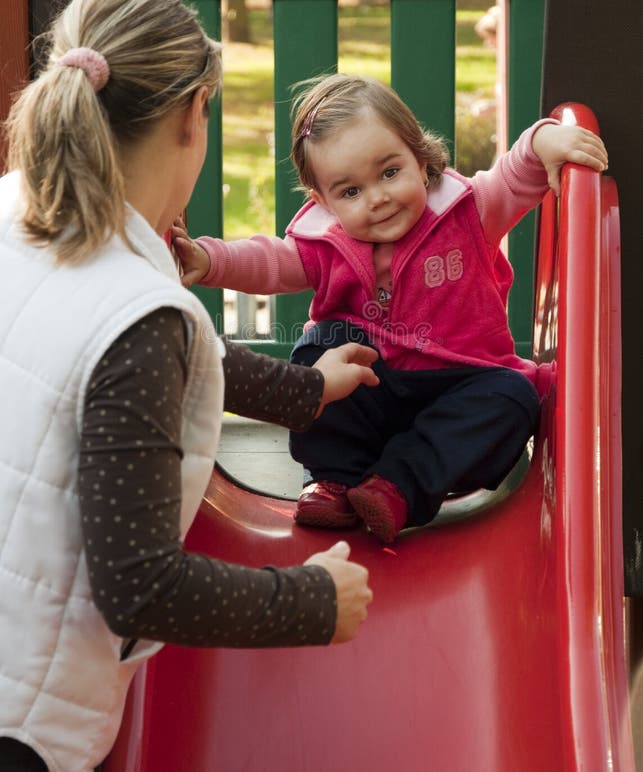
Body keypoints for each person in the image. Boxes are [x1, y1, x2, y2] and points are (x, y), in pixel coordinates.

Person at [0, 0, 377, 772]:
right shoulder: (136, 318)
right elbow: (137, 586)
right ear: (191, 113)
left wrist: (306, 390)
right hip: (25, 724)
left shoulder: (18, 211)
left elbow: (160, 359)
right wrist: (309, 602)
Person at [173, 73, 608, 547]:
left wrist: (545, 138)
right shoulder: (327, 243)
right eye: (351, 192)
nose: (377, 198)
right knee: (320, 347)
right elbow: (271, 262)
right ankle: (334, 480)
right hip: (370, 383)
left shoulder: (467, 211)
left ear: (421, 161)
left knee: (513, 399)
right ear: (324, 202)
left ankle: (396, 488)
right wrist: (210, 259)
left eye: (389, 173)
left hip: (459, 385)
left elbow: (514, 174)